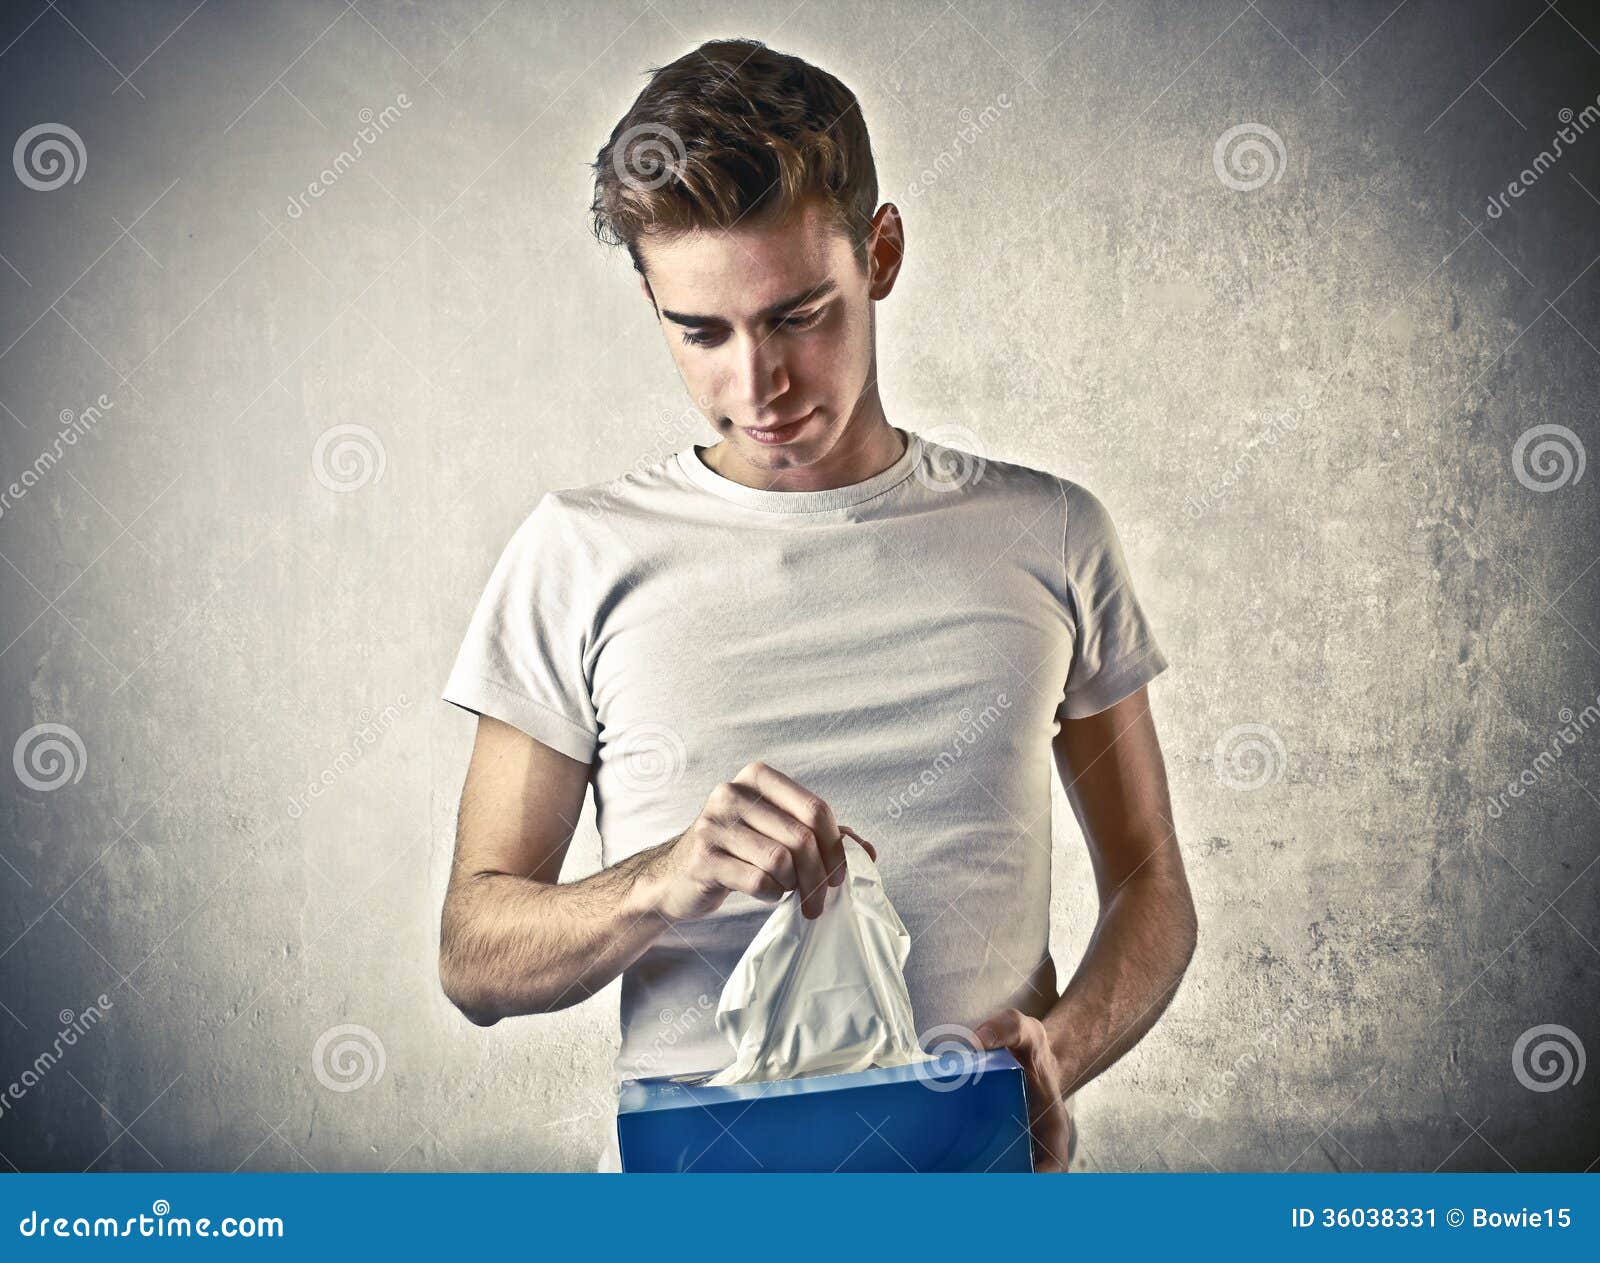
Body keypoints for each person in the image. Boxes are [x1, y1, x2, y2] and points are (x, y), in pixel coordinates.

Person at [437, 36, 1197, 1174]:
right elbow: (473, 957)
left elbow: (1152, 886)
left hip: (974, 1191)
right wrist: (663, 880)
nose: (759, 386)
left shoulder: (1050, 536)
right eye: (700, 332)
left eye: (797, 314)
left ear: (880, 253)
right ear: (652, 301)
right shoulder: (578, 553)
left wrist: (1062, 1050)